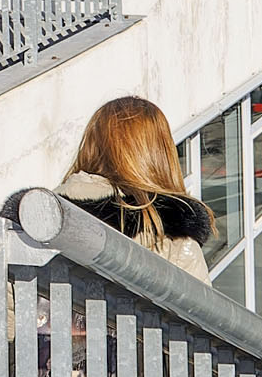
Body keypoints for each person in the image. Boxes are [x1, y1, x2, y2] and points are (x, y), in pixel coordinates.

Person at [57, 96, 216, 277]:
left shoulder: (44, 216)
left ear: (92, 145)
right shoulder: (176, 244)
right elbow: (195, 296)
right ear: (160, 154)